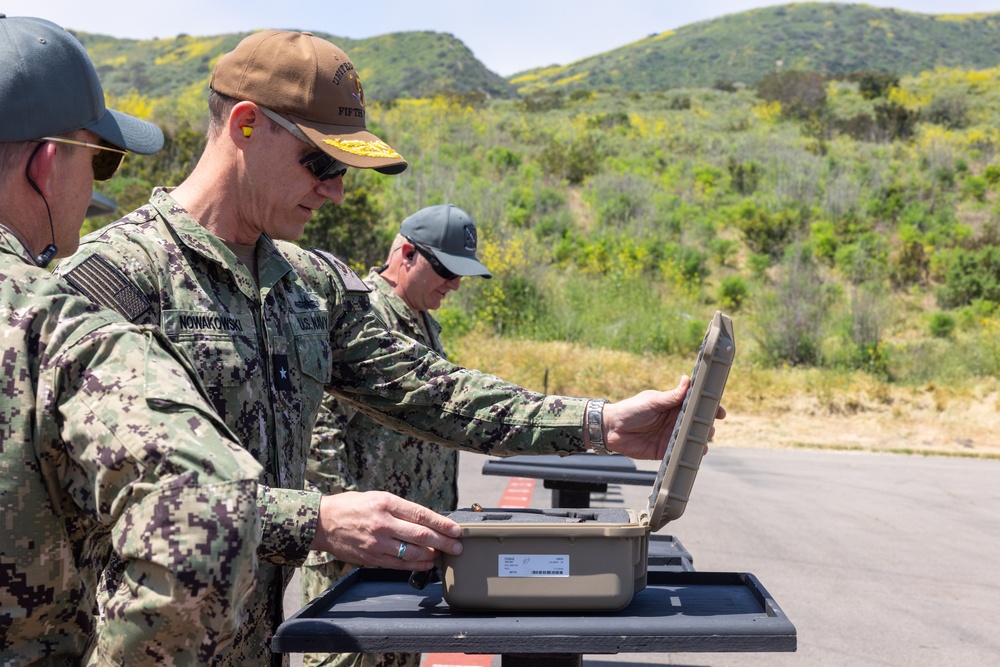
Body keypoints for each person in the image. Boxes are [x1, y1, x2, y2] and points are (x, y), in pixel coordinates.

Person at [54, 30, 717, 666]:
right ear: (246, 125)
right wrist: (313, 520)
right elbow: (92, 495)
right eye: (321, 164)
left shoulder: (309, 287)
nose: (336, 190)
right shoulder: (113, 281)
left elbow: (435, 392)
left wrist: (601, 424)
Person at [0, 14, 263, 665]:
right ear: (47, 164)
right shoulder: (55, 326)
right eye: (102, 159)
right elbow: (211, 515)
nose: (97, 185)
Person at [302, 203, 492, 667]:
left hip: (407, 551)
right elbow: (320, 429)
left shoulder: (419, 318)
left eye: (461, 275)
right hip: (360, 555)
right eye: (447, 271)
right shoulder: (364, 315)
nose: (454, 285)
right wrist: (344, 530)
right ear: (406, 254)